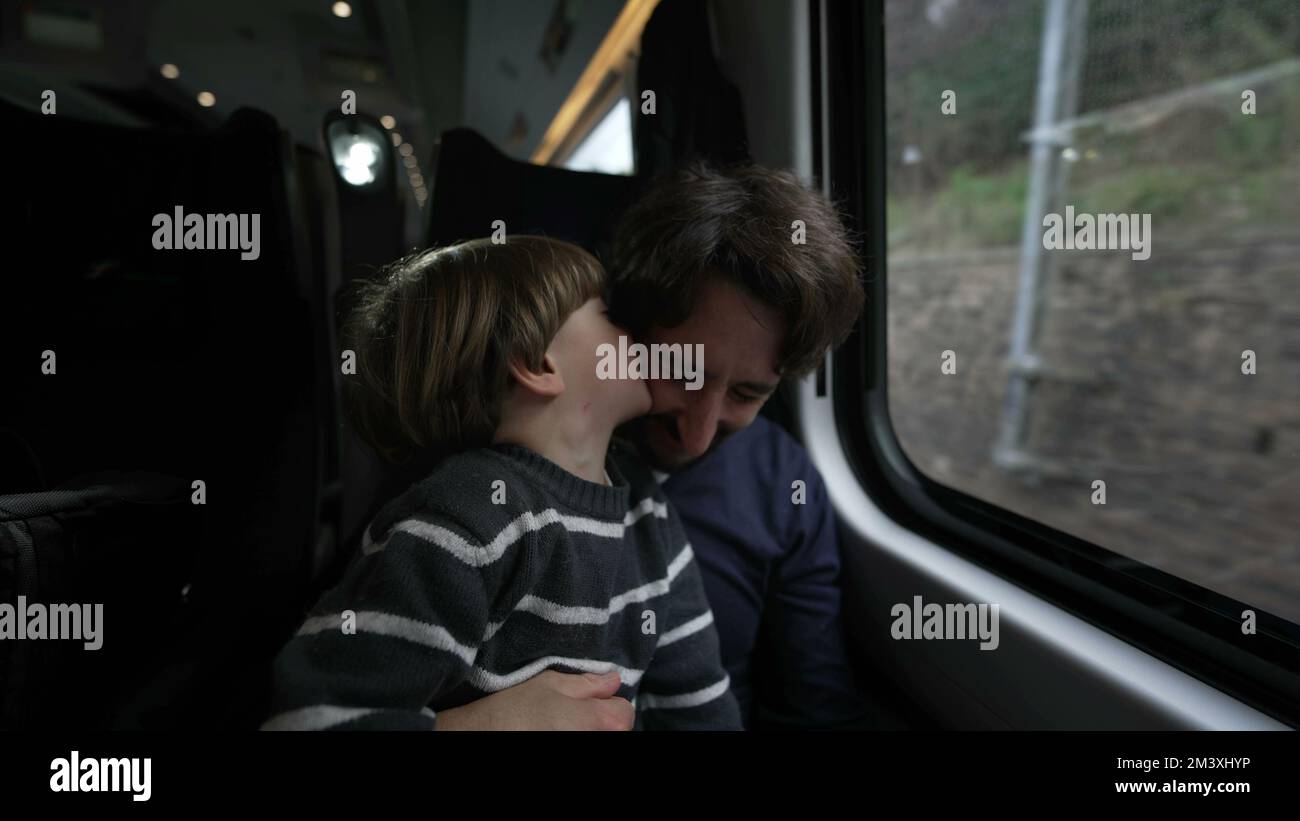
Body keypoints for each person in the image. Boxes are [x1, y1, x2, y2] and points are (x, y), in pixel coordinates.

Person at [437, 163, 870, 730]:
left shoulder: (786, 485)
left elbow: (813, 706)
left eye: (746, 393)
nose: (699, 434)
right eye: (685, 372)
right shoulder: (505, 456)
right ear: (627, 324)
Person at [262, 236, 742, 730]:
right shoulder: (465, 520)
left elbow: (699, 706)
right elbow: (310, 720)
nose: (636, 337)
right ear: (539, 365)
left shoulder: (649, 514)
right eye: (608, 317)